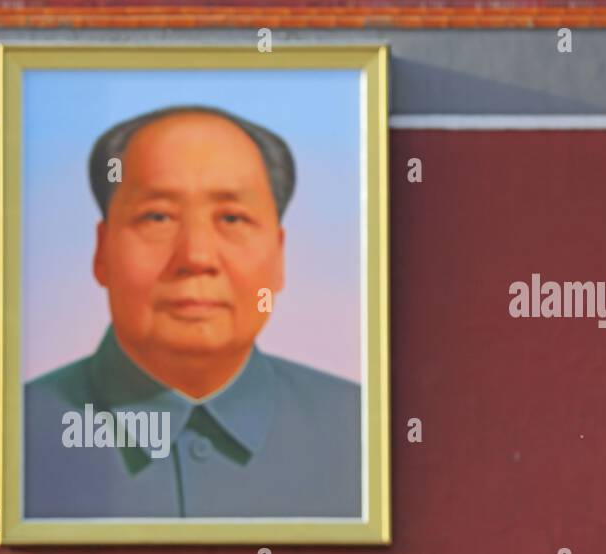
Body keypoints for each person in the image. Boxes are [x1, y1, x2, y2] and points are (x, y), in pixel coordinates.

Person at [23, 105, 361, 519]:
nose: (196, 256)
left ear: (279, 255)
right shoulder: (18, 432)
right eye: (158, 216)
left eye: (233, 218)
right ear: (101, 249)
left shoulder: (360, 433)